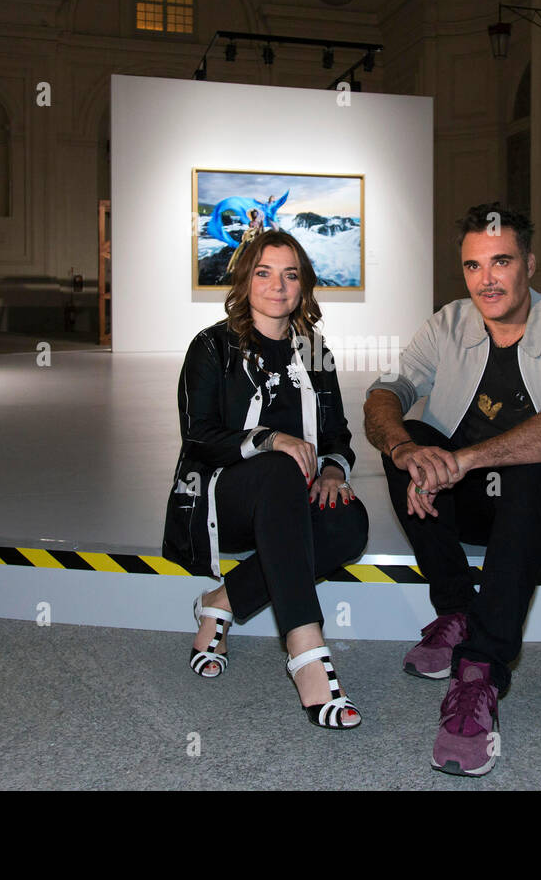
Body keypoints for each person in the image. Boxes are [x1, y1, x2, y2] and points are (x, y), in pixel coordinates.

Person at [362, 201, 541, 774]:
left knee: (527, 461)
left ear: (529, 263)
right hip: (472, 500)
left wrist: (463, 459)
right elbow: (386, 392)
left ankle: (480, 670)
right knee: (410, 438)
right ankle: (454, 609)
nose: (486, 279)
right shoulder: (447, 322)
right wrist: (407, 450)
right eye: (473, 266)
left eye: (501, 262)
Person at [162, 229, 369, 729]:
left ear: (303, 285)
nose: (278, 285)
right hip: (222, 501)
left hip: (287, 500)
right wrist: (269, 439)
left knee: (350, 523)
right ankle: (305, 649)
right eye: (264, 272)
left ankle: (221, 600)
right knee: (280, 468)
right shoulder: (212, 346)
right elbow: (199, 436)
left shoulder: (314, 350)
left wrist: (335, 470)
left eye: (290, 274)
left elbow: (337, 432)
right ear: (244, 280)